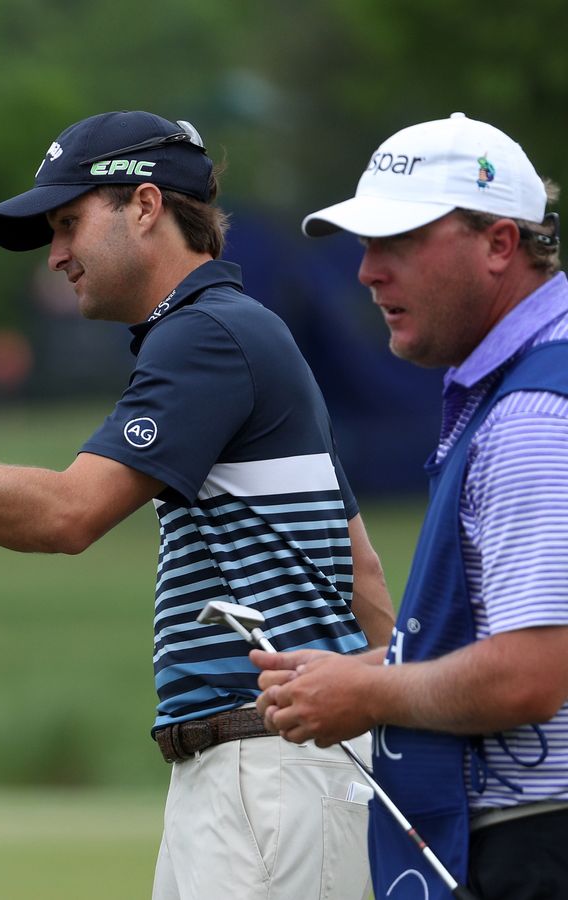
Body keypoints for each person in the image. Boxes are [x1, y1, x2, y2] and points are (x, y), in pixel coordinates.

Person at [0, 110, 393, 900]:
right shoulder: (242, 333)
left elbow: (66, 515)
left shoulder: (207, 334)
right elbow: (365, 581)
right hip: (261, 773)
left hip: (264, 772)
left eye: (69, 223)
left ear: (145, 207)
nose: (57, 256)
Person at [257, 113, 568, 900]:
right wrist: (361, 671)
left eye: (398, 241)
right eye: (365, 245)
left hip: (541, 842)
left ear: (501, 244)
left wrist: (367, 692)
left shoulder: (533, 417)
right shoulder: (525, 383)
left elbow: (531, 675)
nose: (366, 271)